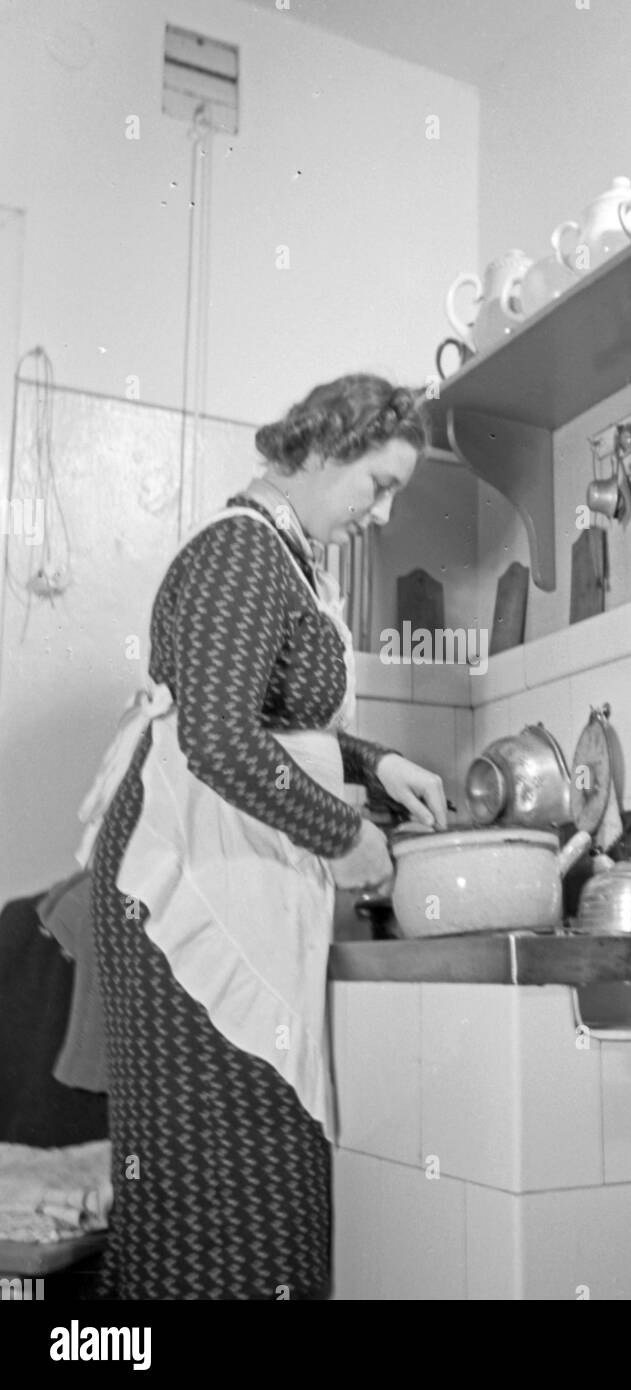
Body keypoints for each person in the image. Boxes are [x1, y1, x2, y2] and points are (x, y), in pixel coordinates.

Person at [77, 373, 447, 1300]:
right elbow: (216, 738)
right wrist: (345, 836)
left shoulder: (282, 556)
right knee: (217, 1170)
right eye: (378, 484)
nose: (385, 512)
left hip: (216, 874)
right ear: (321, 453)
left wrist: (376, 765)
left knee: (247, 1166)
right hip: (183, 892)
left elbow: (273, 719)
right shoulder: (239, 553)